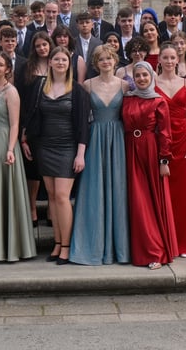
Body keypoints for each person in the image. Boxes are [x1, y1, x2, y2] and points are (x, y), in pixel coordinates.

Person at [22, 47, 89, 265]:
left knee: (62, 196)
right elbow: (31, 114)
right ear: (49, 62)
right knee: (51, 197)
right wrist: (25, 139)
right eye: (56, 59)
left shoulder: (77, 91)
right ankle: (58, 243)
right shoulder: (41, 86)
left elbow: (83, 126)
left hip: (67, 147)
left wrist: (80, 154)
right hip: (45, 146)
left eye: (64, 59)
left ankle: (67, 246)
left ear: (69, 63)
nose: (60, 63)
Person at [69, 45, 130, 265]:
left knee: (117, 189)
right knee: (94, 189)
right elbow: (82, 117)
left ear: (115, 61)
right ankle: (92, 245)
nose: (105, 62)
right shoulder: (87, 85)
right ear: (95, 63)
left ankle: (119, 248)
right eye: (101, 59)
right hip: (95, 139)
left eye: (109, 58)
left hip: (118, 140)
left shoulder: (125, 85)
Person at [0, 52, 36, 262]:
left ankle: (10, 247)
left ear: (7, 69)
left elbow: (14, 124)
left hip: (4, 143)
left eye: (0, 64)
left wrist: (11, 149)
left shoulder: (11, 92)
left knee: (5, 192)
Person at [122, 62, 177, 269]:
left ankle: (156, 252)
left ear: (152, 76)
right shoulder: (127, 99)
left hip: (150, 152)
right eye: (138, 76)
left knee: (148, 202)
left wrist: (164, 160)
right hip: (129, 151)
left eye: (145, 75)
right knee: (136, 202)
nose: (142, 79)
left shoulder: (158, 101)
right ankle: (139, 250)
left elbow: (165, 133)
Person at [155, 43, 186, 256]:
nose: (170, 61)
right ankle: (165, 240)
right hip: (160, 141)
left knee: (184, 193)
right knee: (163, 191)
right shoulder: (152, 82)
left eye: (173, 57)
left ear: (178, 59)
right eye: (166, 57)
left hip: (183, 140)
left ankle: (184, 242)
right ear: (160, 60)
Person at [17, 30, 53, 226]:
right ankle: (32, 209)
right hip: (31, 123)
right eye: (38, 45)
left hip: (52, 124)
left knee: (50, 168)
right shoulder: (26, 67)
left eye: (45, 45)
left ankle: (50, 209)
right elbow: (21, 98)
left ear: (50, 45)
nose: (42, 48)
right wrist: (23, 129)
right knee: (33, 169)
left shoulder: (56, 65)